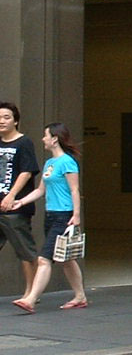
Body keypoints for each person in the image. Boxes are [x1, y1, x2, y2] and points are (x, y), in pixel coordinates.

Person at [13, 123, 86, 313]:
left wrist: (76, 215)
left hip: (64, 216)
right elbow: (40, 190)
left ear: (54, 139)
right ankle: (80, 296)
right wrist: (21, 202)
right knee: (66, 259)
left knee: (44, 259)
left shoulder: (68, 162)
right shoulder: (49, 163)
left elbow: (74, 189)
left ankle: (31, 298)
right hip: (51, 215)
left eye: (45, 136)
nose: (43, 139)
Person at [0, 103, 40, 296]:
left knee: (25, 251)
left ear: (15, 120)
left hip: (15, 207)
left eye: (7, 117)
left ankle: (31, 293)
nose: (2, 121)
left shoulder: (24, 143)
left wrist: (11, 195)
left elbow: (27, 171)